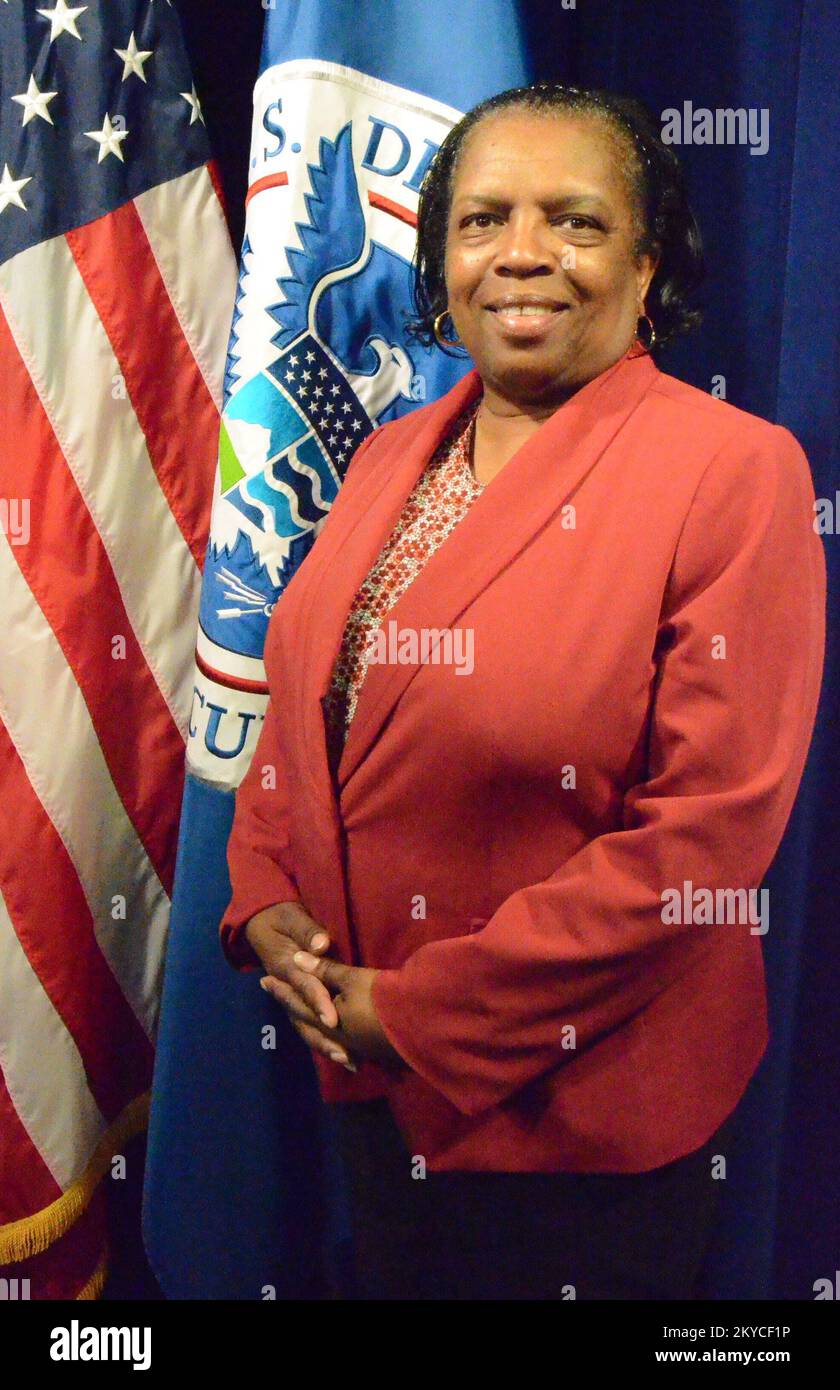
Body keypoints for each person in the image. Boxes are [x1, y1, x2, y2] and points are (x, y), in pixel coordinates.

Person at [219, 83, 825, 1299]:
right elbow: (302, 707)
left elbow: (699, 848)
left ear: (651, 264)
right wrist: (262, 891)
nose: (524, 254)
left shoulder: (734, 471)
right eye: (484, 218)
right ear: (442, 260)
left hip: (580, 1129)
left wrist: (423, 1012)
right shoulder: (394, 453)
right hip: (374, 1094)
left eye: (578, 221)